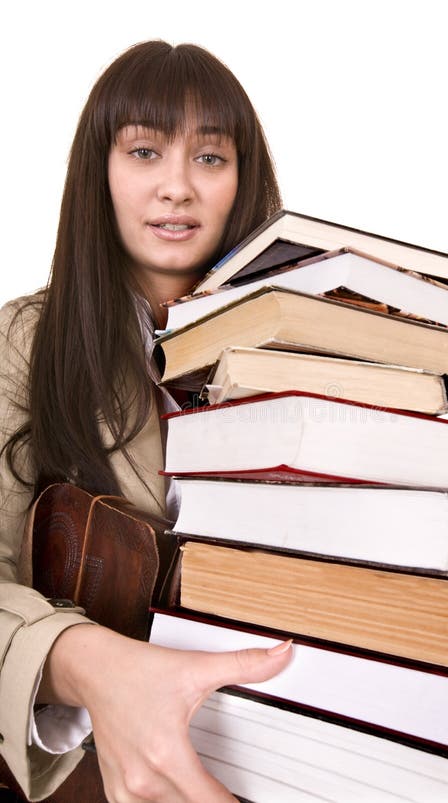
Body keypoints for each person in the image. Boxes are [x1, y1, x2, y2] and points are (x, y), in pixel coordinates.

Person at [0, 40, 292, 802]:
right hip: (86, 764)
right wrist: (90, 662)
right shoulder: (24, 341)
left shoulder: (304, 347)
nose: (176, 188)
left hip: (285, 736)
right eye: (144, 150)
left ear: (243, 178)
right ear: (99, 172)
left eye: (209, 158)